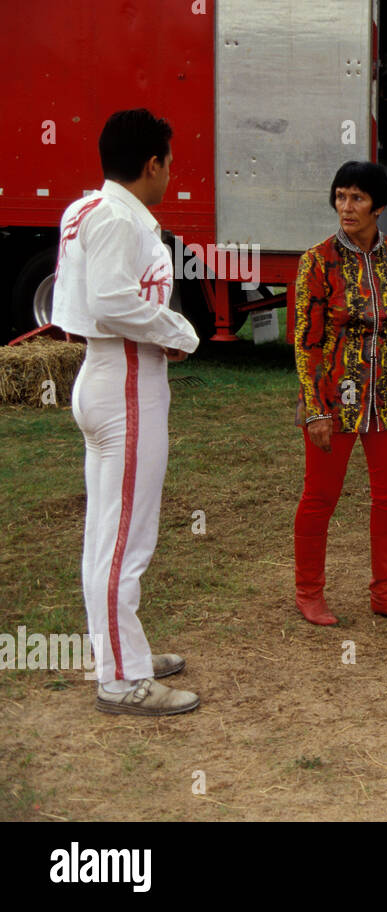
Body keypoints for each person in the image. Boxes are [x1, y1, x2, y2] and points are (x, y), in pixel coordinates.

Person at [52, 109, 201, 716]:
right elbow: (111, 301)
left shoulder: (87, 207)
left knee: (105, 536)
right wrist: (180, 331)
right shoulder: (118, 217)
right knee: (124, 541)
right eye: (169, 162)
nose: (171, 174)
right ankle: (120, 677)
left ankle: (119, 652)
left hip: (106, 377)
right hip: (127, 383)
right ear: (152, 164)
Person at [293, 160, 387, 626]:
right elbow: (306, 341)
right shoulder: (316, 261)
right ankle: (309, 593)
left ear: (379, 206)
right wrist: (315, 409)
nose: (346, 206)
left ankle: (386, 593)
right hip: (335, 398)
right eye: (340, 196)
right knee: (320, 497)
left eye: (357, 197)